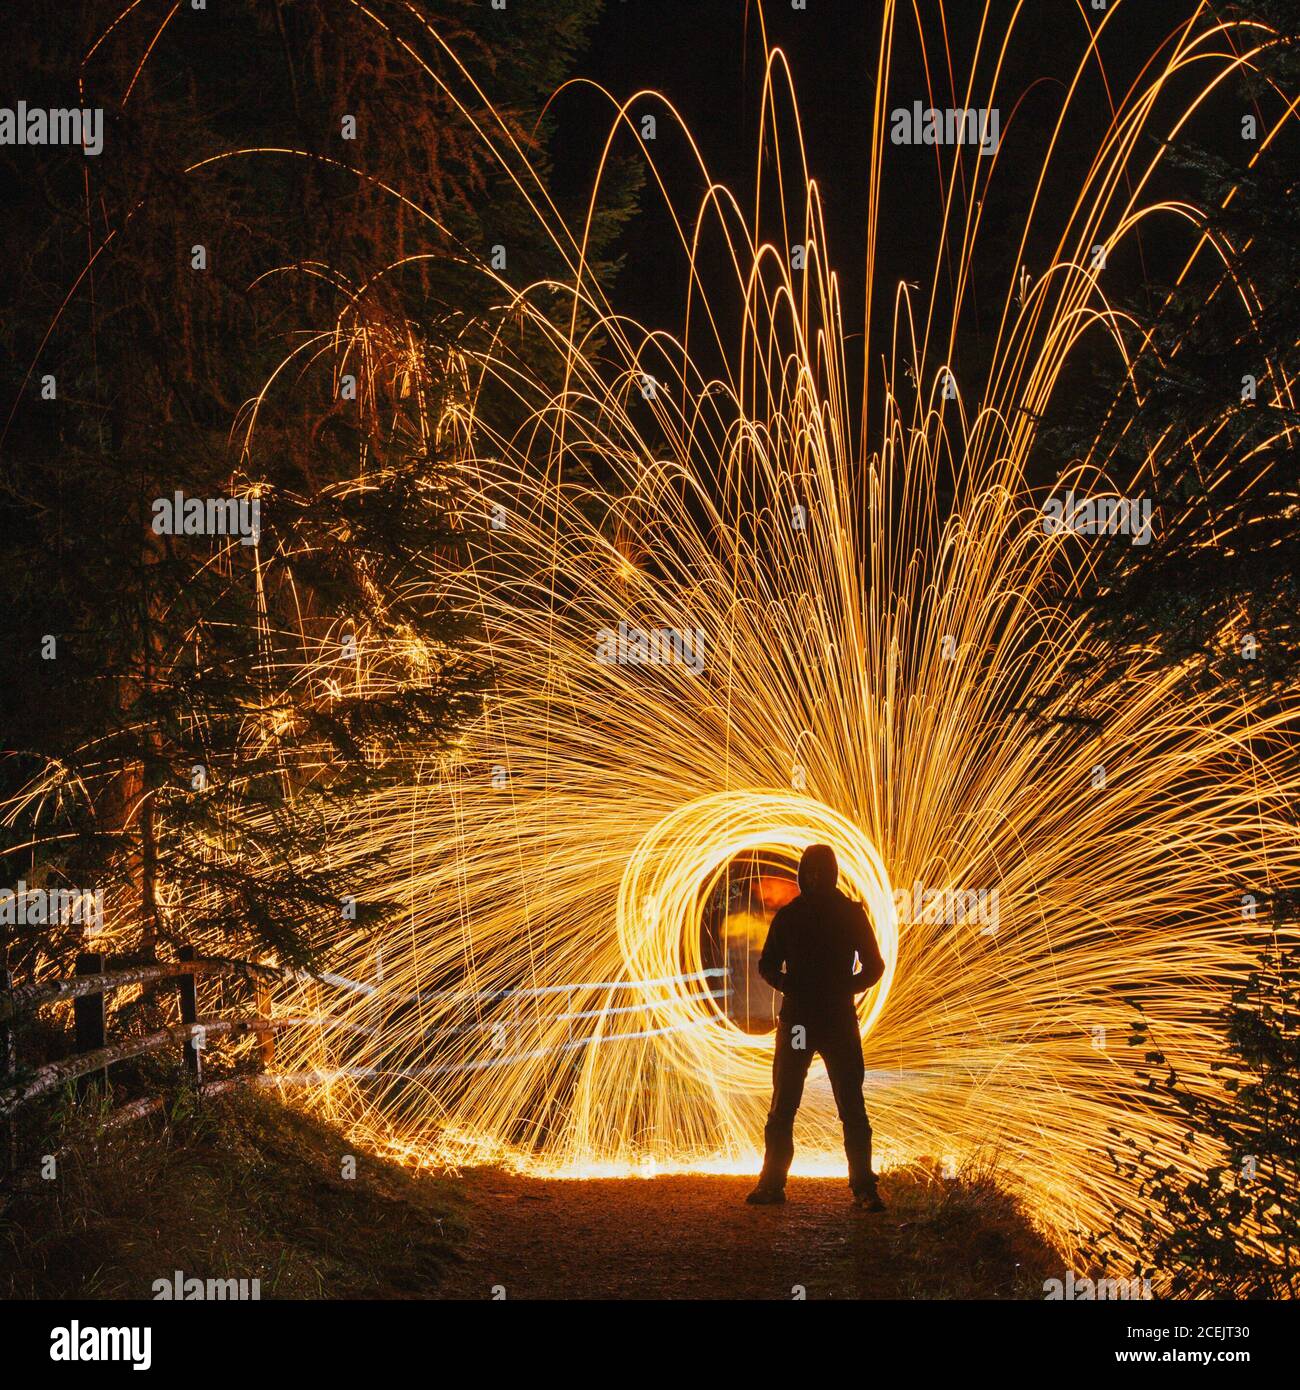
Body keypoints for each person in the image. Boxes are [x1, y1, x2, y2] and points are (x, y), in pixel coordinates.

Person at [747, 842, 886, 1210]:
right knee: (785, 1102)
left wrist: (846, 988)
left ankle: (863, 1188)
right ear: (802, 875)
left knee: (850, 1104)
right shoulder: (791, 917)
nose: (815, 879)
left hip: (835, 1019)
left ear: (833, 874)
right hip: (801, 1022)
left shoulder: (851, 915)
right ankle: (772, 1184)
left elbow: (874, 966)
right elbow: (767, 964)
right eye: (809, 873)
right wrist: (789, 984)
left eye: (821, 873)